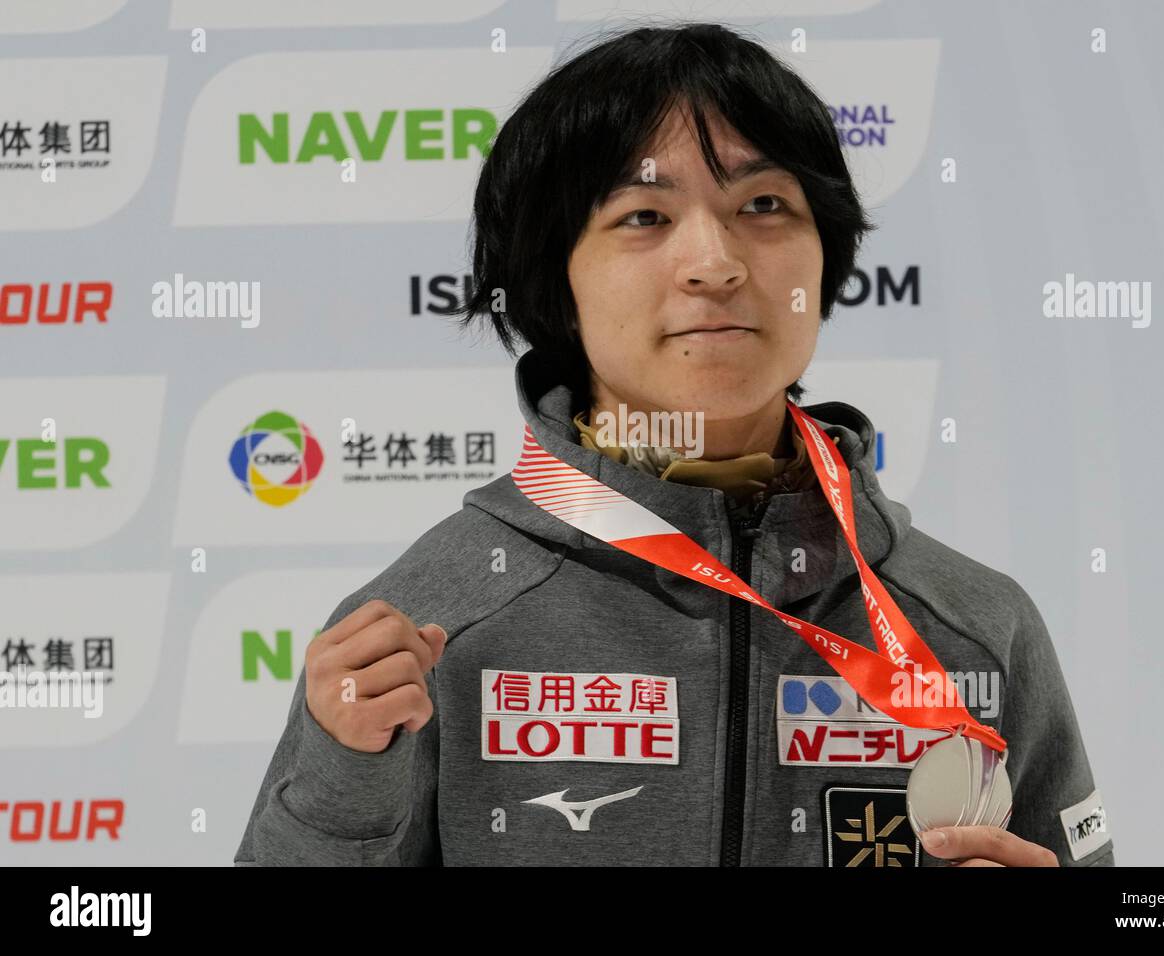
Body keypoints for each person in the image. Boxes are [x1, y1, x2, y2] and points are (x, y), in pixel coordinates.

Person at [236, 21, 1113, 867]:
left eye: (765, 205)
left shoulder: (973, 627)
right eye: (645, 217)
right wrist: (341, 782)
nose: (716, 262)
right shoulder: (433, 625)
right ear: (556, 279)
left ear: (826, 257)